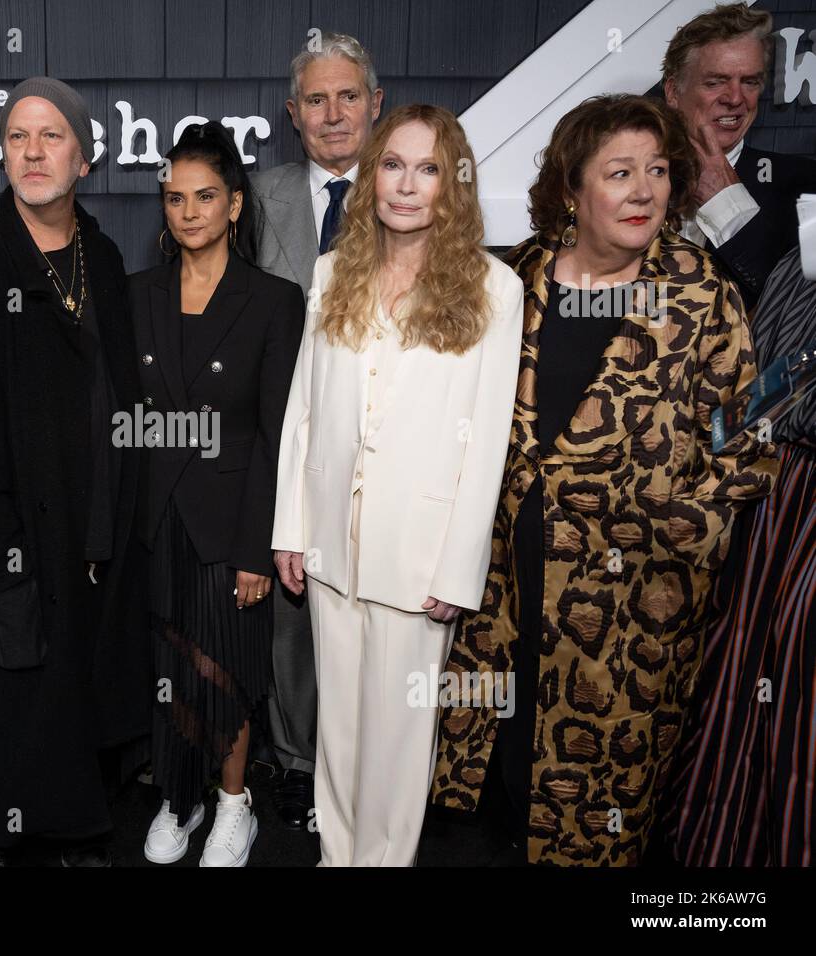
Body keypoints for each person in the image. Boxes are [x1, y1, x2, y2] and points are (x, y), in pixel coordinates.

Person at [430, 94, 778, 865]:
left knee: (596, 820)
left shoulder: (700, 295)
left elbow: (749, 449)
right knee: (493, 800)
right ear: (570, 189)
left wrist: (671, 537)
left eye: (658, 171)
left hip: (625, 625)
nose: (645, 190)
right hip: (499, 604)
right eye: (620, 172)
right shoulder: (509, 283)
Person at [272, 104, 524, 866]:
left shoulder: (494, 288)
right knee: (338, 726)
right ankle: (335, 854)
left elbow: (486, 443)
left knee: (399, 733)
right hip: (329, 541)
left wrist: (457, 566)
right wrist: (290, 524)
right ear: (371, 177)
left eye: (427, 169)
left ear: (453, 186)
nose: (406, 186)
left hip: (418, 551)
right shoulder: (330, 273)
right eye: (392, 166)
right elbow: (304, 408)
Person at [0, 77, 149, 867]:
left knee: (80, 700)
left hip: (98, 533)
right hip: (16, 544)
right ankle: (1, 839)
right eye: (18, 136)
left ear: (83, 157)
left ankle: (78, 830)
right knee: (17, 698)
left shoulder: (105, 257)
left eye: (51, 136)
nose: (33, 151)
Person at [131, 122, 303, 866]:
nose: (189, 211)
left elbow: (276, 434)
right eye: (175, 198)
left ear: (235, 204)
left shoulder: (273, 300)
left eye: (205, 197)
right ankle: (182, 797)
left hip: (230, 520)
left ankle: (235, 805)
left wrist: (255, 549)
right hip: (156, 516)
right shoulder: (135, 294)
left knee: (227, 672)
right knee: (169, 670)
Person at [249, 30, 383, 831]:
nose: (333, 114)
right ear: (292, 113)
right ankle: (299, 761)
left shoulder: (409, 191)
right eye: (316, 100)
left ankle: (373, 760)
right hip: (285, 438)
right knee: (295, 611)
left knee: (380, 606)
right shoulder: (257, 197)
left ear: (375, 103)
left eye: (348, 96)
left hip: (386, 440)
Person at [667, 242, 815, 866]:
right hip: (781, 494)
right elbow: (754, 401)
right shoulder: (800, 258)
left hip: (788, 497)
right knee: (751, 668)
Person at [662, 2, 816, 307]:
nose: (735, 99)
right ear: (673, 93)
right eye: (715, 81)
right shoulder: (627, 180)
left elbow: (797, 309)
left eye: (750, 82)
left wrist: (726, 202)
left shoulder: (806, 185)